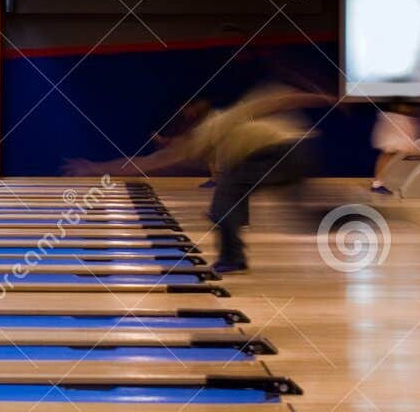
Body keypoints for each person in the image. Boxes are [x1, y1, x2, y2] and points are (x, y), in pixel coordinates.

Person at [94, 85, 331, 274]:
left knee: (224, 198)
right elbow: (150, 162)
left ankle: (232, 258)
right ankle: (358, 215)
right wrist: (98, 168)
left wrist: (320, 98)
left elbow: (275, 100)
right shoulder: (204, 134)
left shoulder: (214, 125)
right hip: (298, 152)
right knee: (303, 218)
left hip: (281, 152)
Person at [370, 99, 420, 194]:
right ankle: (378, 184)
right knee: (388, 152)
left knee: (406, 152)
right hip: (395, 117)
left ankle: (382, 183)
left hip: (404, 118)